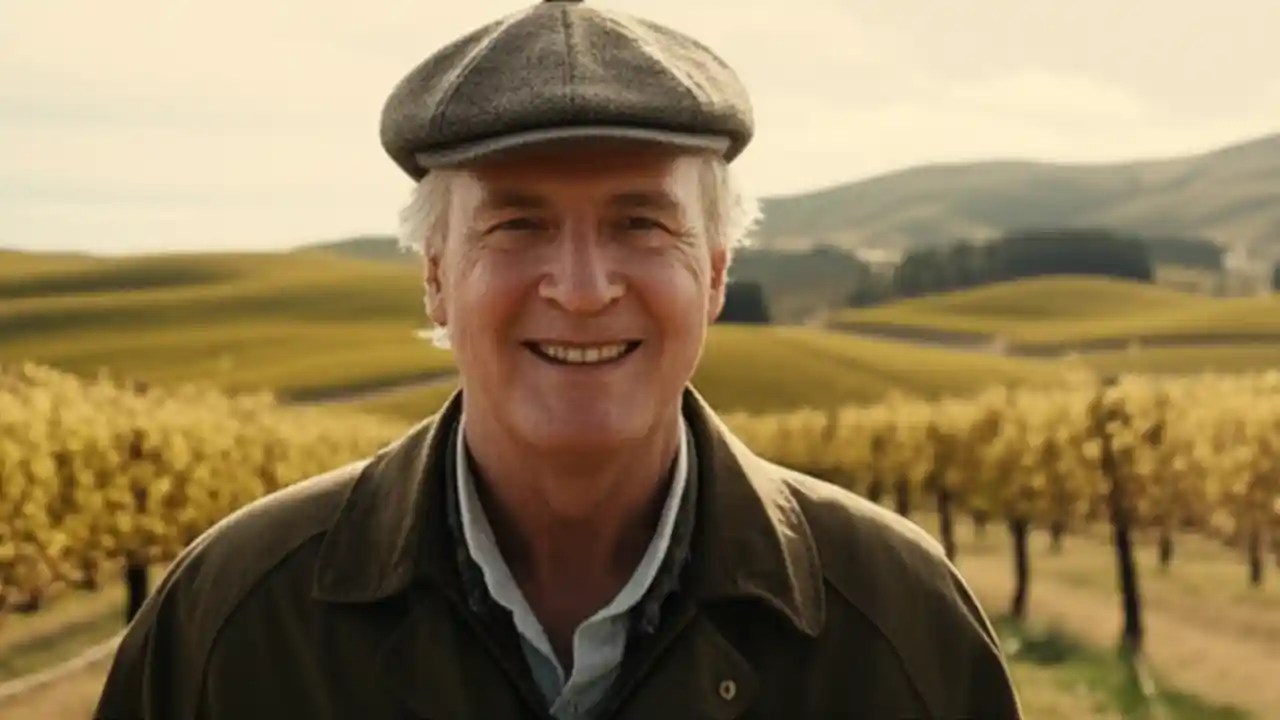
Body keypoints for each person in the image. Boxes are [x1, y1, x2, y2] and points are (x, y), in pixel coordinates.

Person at [95, 1, 1025, 718]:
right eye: (517, 224)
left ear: (713, 273)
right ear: (434, 278)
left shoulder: (901, 622)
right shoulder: (233, 621)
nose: (582, 288)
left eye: (640, 223)